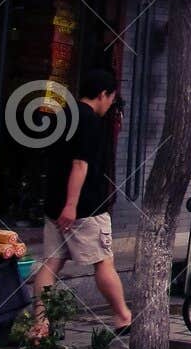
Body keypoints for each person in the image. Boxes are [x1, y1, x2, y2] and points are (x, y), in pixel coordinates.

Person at [30, 68, 132, 332]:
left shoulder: (63, 115)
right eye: (111, 98)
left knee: (51, 263)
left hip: (54, 203)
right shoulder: (90, 121)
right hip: (84, 206)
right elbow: (80, 164)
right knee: (103, 260)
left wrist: (61, 204)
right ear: (102, 94)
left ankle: (40, 324)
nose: (111, 104)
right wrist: (71, 205)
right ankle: (122, 316)